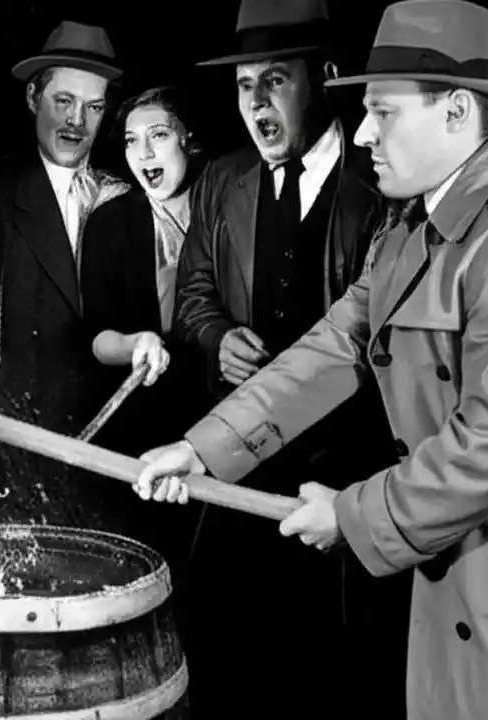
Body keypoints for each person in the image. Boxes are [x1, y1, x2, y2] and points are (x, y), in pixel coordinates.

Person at [135, 2, 488, 717]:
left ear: (456, 112)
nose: (362, 132)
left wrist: (355, 515)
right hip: (457, 557)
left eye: (382, 113)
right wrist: (203, 450)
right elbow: (334, 349)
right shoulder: (409, 233)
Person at [167, 0, 407, 713]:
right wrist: (217, 338)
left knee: (332, 670)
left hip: (345, 481)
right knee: (231, 655)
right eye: (245, 86)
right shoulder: (222, 180)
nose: (256, 101)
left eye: (275, 80)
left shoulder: (382, 190)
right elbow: (193, 294)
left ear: (324, 79)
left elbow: (361, 341)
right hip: (238, 473)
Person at [0, 20, 129, 529]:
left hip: (104, 451)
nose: (76, 121)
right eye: (63, 102)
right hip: (14, 447)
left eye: (93, 107)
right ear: (33, 98)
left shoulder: (127, 197)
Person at [78, 85, 208, 570]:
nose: (145, 152)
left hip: (216, 425)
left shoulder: (224, 210)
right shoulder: (111, 222)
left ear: (188, 142)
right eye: (132, 141)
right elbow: (97, 339)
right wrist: (137, 342)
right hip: (137, 440)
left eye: (159, 135)